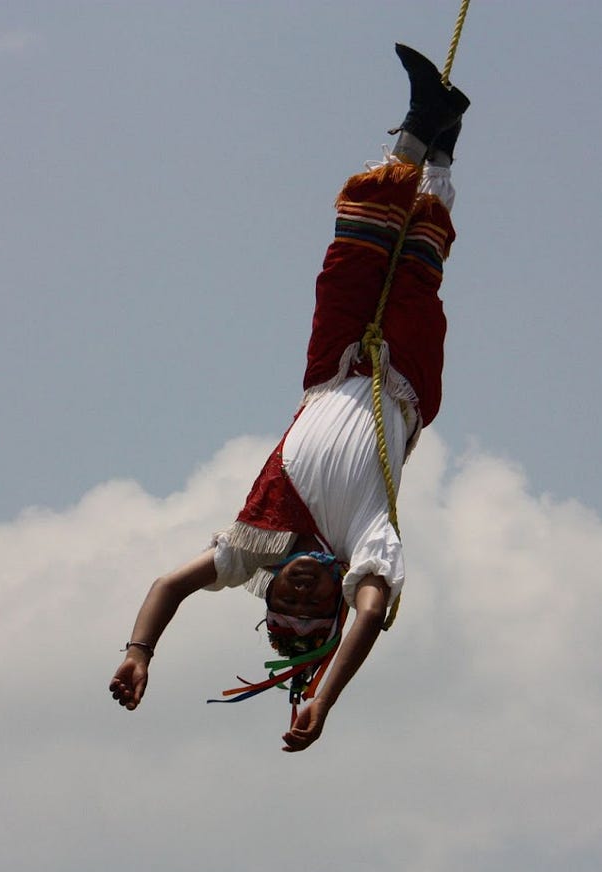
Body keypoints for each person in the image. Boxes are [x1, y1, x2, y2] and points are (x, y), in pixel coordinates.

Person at [108, 43, 469, 752]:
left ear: (268, 590)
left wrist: (139, 652)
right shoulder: (366, 544)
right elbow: (372, 613)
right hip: (402, 382)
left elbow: (168, 586)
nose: (301, 594)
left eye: (287, 603)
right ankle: (441, 152)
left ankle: (424, 121)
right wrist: (324, 698)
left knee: (355, 247)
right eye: (314, 607)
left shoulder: (251, 545)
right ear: (337, 596)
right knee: (416, 259)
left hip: (332, 369)